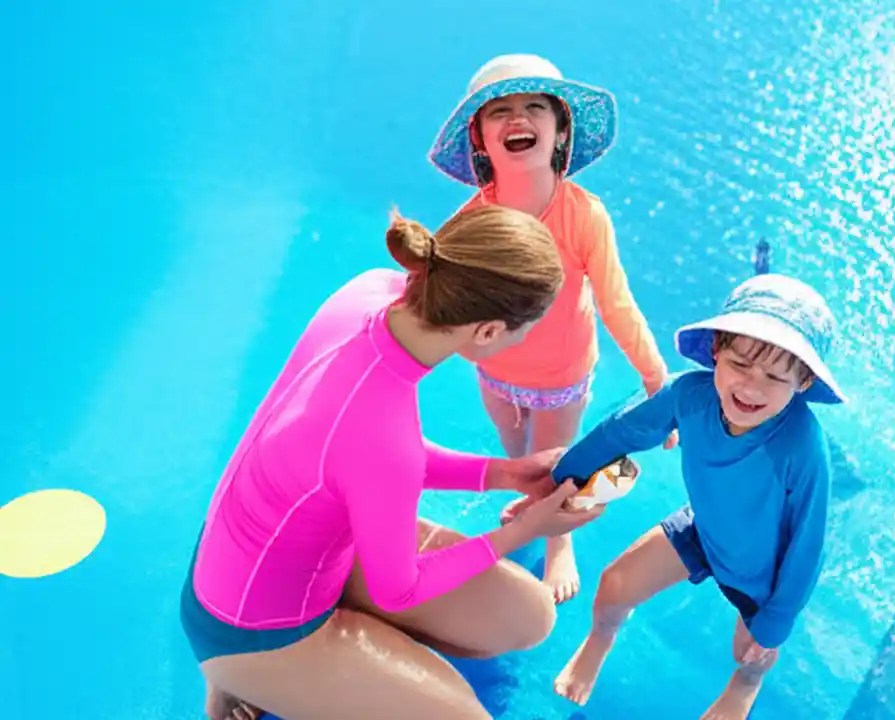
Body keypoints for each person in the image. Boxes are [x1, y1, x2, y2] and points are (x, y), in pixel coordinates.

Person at [180, 205, 605, 720]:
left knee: (526, 615)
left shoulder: (374, 290)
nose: (525, 341)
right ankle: (247, 680)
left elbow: (356, 458)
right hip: (250, 630)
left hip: (260, 555)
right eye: (527, 329)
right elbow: (398, 585)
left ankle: (288, 676)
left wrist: (502, 473)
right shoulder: (383, 435)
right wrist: (527, 528)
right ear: (489, 331)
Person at [428, 53, 670, 604]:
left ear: (561, 131)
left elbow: (617, 304)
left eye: (535, 107)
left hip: (561, 374)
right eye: (500, 112)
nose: (518, 119)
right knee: (518, 455)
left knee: (560, 464)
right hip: (494, 372)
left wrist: (657, 383)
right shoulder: (470, 224)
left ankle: (559, 543)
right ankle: (534, 506)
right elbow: (435, 303)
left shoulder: (583, 216)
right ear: (480, 141)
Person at [546, 274, 844, 720]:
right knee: (613, 587)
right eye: (740, 364)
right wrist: (566, 477)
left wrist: (775, 622)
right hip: (704, 526)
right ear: (717, 350)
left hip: (761, 570)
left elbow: (808, 544)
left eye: (775, 377)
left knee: (752, 650)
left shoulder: (802, 446)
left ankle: (744, 687)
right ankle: (600, 640)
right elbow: (623, 430)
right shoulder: (690, 395)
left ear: (801, 384)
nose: (751, 388)